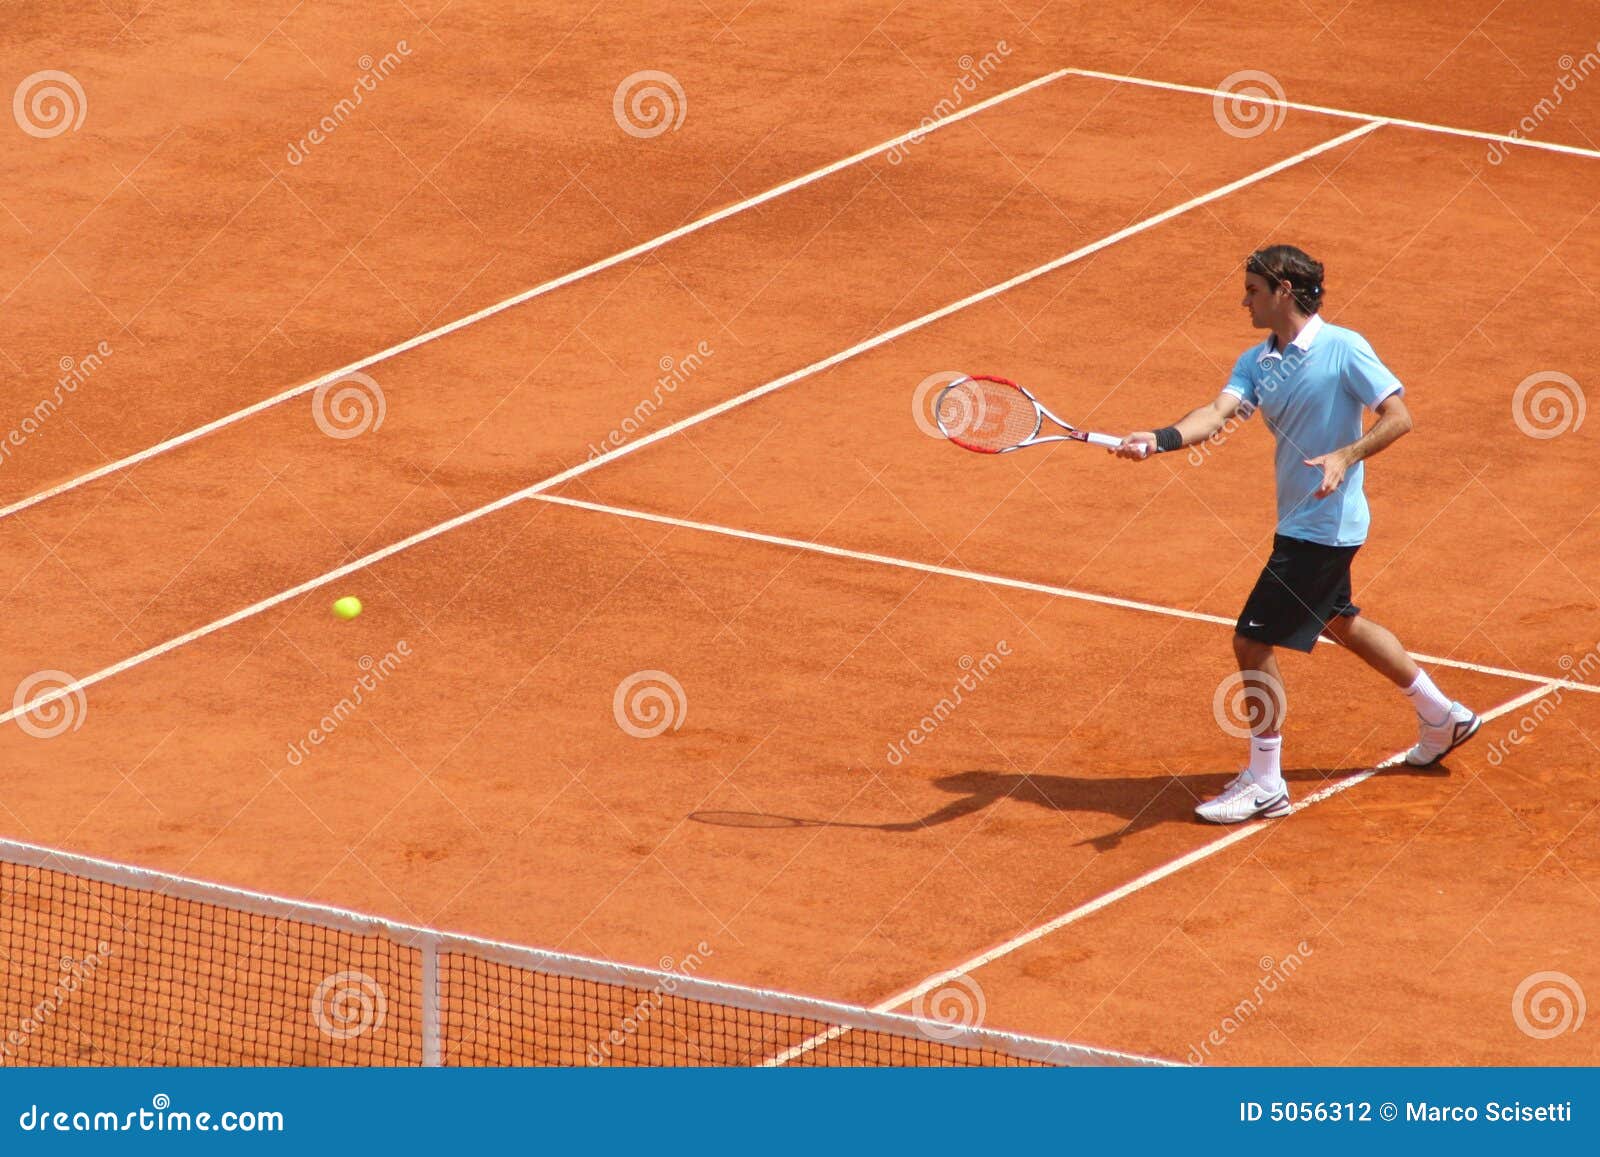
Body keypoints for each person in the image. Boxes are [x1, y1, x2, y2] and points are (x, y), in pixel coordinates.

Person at [1113, 245, 1480, 824]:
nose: (1244, 300)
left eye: (1253, 290)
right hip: (1303, 521)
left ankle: (1265, 782)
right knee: (1339, 620)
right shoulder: (1257, 361)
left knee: (1251, 642)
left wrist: (1346, 454)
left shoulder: (1343, 348)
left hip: (1324, 526)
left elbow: (1399, 416)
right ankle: (1442, 715)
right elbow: (1216, 413)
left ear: (1284, 289)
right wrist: (1158, 439)